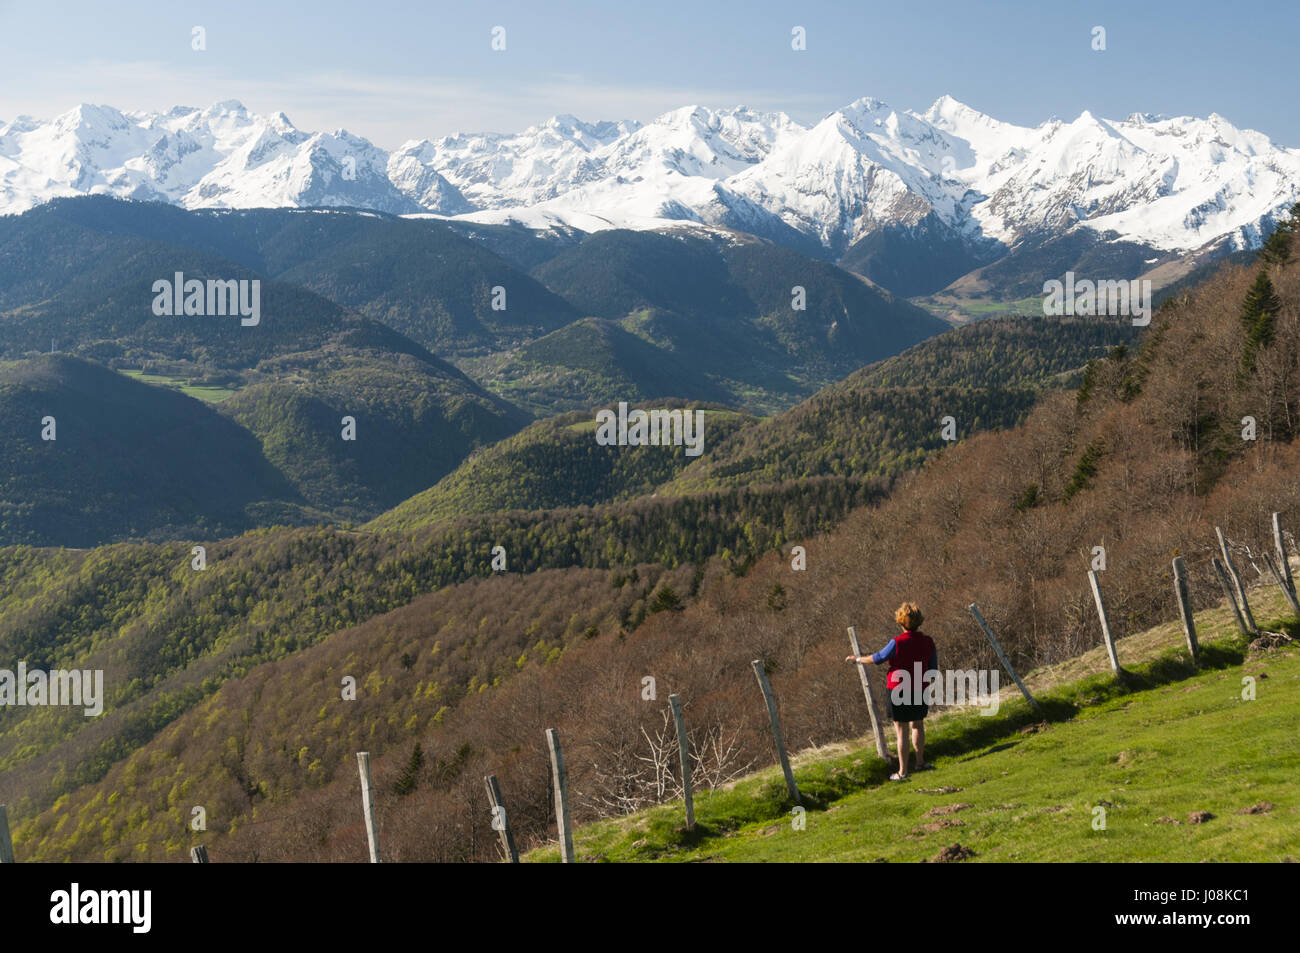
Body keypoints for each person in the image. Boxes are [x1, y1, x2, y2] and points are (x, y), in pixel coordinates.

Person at [845, 602, 937, 781]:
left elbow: (878, 658)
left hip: (898, 689)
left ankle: (903, 772)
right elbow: (932, 669)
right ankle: (920, 762)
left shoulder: (897, 643)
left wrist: (857, 659)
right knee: (918, 725)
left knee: (901, 730)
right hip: (919, 687)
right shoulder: (928, 641)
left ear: (901, 622)